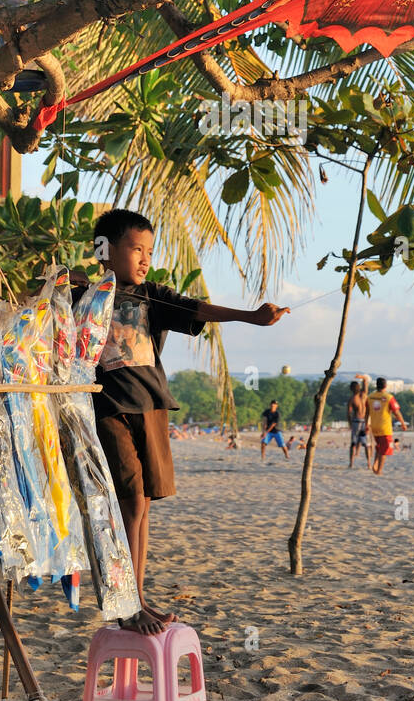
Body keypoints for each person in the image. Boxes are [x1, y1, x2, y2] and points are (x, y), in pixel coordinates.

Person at [86, 209, 289, 634]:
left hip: (151, 408)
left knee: (142, 505)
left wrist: (250, 316)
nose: (144, 259)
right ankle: (124, 603)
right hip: (107, 409)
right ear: (104, 250)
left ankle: (136, 598)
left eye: (149, 251)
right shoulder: (83, 295)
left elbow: (196, 309)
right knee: (129, 501)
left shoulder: (151, 296)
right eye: (135, 249)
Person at [369, 378, 407, 475]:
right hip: (385, 428)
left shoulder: (370, 397)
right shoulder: (388, 397)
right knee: (385, 450)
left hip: (374, 427)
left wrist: (366, 424)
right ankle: (379, 470)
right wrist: (402, 423)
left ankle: (375, 464)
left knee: (379, 447)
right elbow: (396, 412)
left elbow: (366, 412)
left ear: (376, 386)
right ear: (385, 386)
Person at [347, 374, 371, 470]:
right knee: (366, 444)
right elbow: (366, 381)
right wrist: (361, 377)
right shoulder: (364, 395)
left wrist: (350, 424)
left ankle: (351, 463)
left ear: (351, 389)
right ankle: (369, 463)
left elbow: (348, 413)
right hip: (364, 422)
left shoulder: (352, 399)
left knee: (353, 443)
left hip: (356, 422)